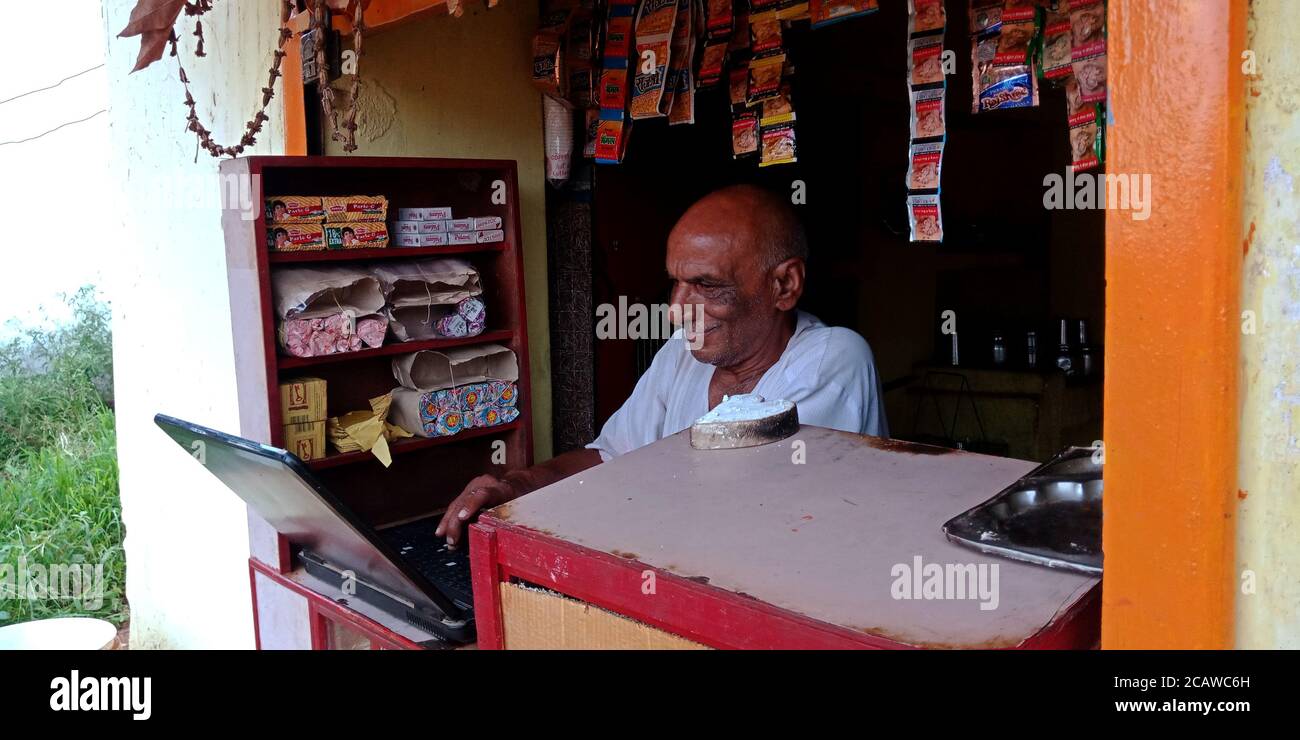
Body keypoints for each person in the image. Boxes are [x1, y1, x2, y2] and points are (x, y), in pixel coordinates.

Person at [436, 184, 888, 547]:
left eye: (707, 285)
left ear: (784, 285)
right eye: (675, 282)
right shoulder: (682, 353)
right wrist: (515, 487)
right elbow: (612, 456)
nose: (677, 309)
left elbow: (746, 517)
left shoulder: (834, 358)